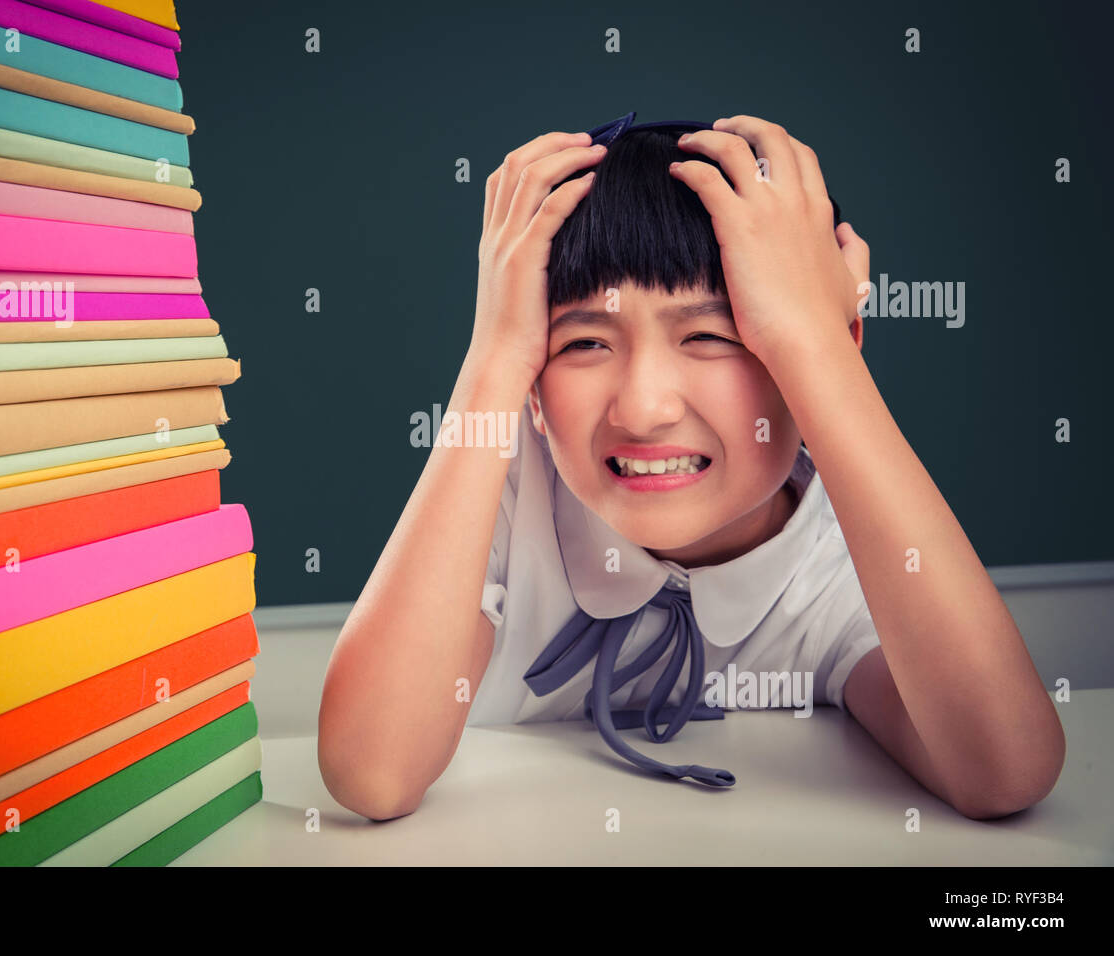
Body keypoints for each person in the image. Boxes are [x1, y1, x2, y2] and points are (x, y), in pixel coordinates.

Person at [318, 113, 1065, 823]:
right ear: (534, 392)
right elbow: (370, 773)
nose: (642, 409)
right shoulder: (501, 491)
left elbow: (1005, 769)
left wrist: (819, 347)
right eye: (583, 344)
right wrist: (494, 357)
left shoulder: (850, 562)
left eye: (711, 335)